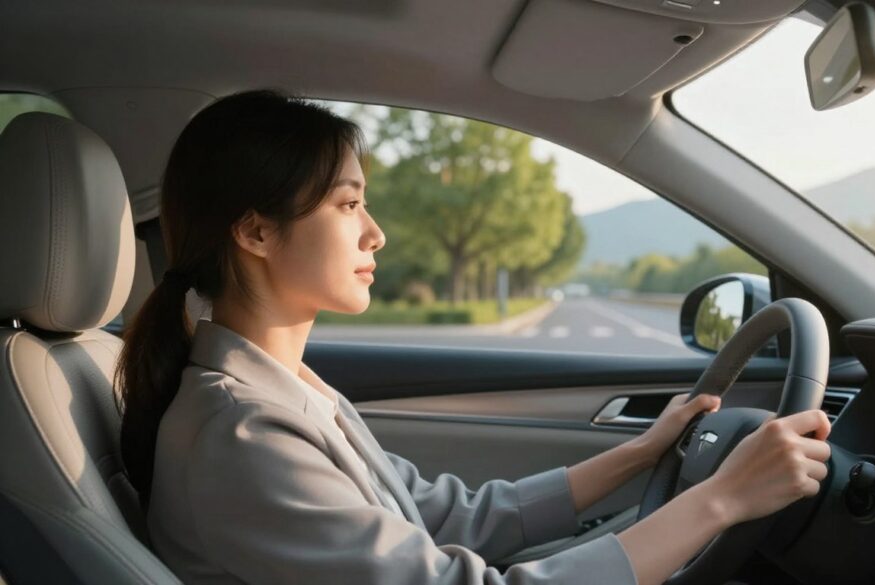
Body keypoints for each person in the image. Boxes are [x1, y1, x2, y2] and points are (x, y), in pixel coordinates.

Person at [115, 90, 832, 585]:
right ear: (256, 231)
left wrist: (639, 456)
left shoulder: (280, 390)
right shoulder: (240, 436)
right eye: (348, 204)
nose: (376, 232)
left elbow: (439, 514)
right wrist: (719, 500)